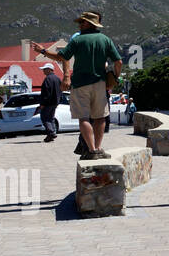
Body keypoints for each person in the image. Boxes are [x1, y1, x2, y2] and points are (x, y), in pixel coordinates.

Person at [34, 12, 122, 160]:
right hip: (100, 83)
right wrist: (115, 78)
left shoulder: (78, 40)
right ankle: (98, 148)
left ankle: (92, 149)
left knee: (83, 118)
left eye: (82, 22)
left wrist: (43, 51)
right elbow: (118, 62)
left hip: (80, 84)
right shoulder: (105, 40)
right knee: (100, 118)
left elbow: (61, 57)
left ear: (90, 24)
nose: (79, 25)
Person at [38, 63, 62, 143]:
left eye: (45, 69)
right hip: (55, 102)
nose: (43, 71)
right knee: (51, 118)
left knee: (45, 118)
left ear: (50, 69)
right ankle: (51, 134)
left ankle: (51, 133)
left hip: (48, 103)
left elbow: (46, 93)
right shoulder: (57, 78)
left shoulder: (48, 79)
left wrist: (42, 103)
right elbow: (61, 90)